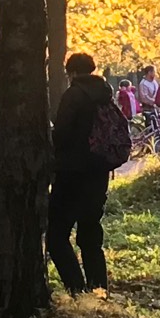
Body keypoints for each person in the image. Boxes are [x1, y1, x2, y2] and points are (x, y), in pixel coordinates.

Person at [48, 51, 125, 295]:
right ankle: (99, 290)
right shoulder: (105, 94)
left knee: (57, 236)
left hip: (71, 174)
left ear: (71, 72)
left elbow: (61, 134)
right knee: (90, 235)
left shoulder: (73, 96)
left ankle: (77, 289)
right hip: (98, 174)